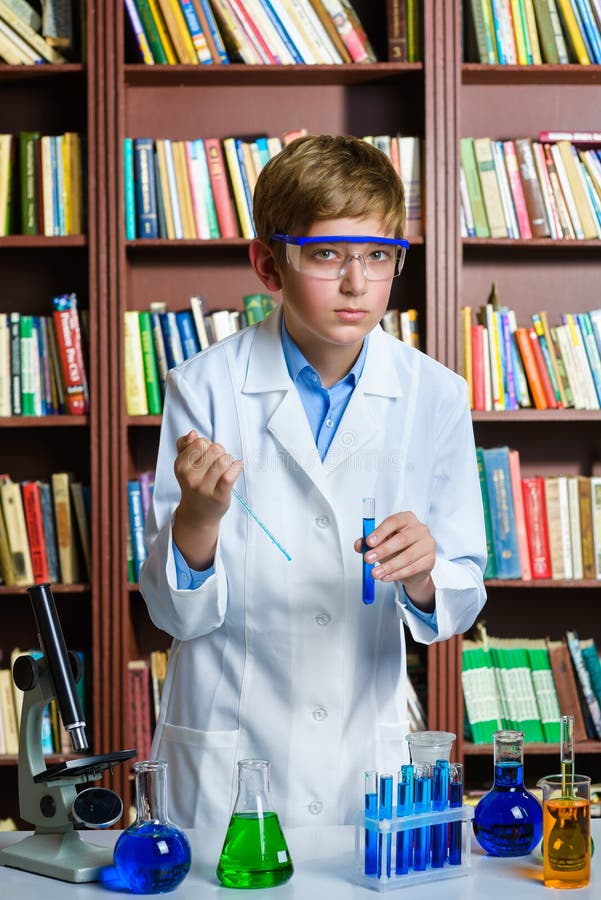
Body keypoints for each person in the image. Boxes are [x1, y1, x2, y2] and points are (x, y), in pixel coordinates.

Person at [140, 134, 487, 832]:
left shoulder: (435, 396)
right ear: (269, 265)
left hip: (363, 753)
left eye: (377, 256)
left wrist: (424, 575)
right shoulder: (204, 387)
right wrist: (199, 521)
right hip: (227, 755)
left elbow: (456, 601)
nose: (356, 283)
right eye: (326, 255)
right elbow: (173, 616)